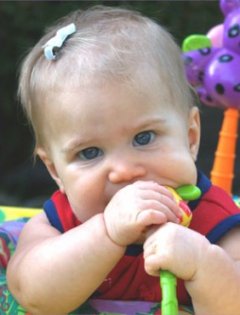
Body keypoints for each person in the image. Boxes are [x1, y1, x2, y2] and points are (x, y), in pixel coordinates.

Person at [6, 5, 240, 315]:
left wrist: (203, 265)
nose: (125, 171)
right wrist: (107, 232)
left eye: (144, 137)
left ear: (191, 136)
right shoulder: (59, 223)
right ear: (55, 171)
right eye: (89, 153)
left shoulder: (217, 222)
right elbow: (32, 295)